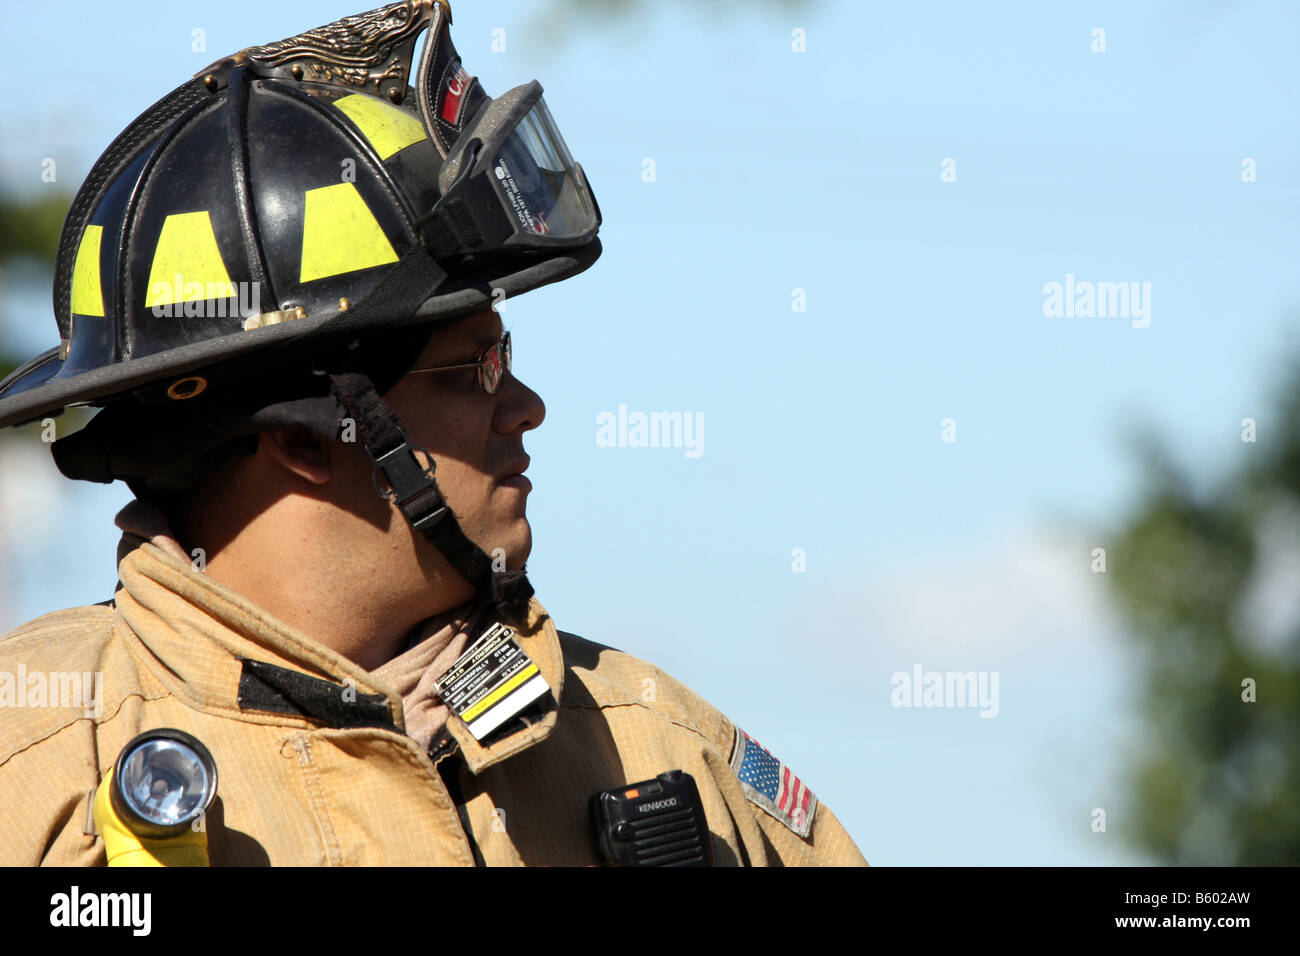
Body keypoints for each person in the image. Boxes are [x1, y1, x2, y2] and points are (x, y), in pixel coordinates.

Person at [0, 0, 868, 866]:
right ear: (305, 437)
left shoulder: (652, 745)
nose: (527, 406)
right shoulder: (38, 760)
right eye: (476, 368)